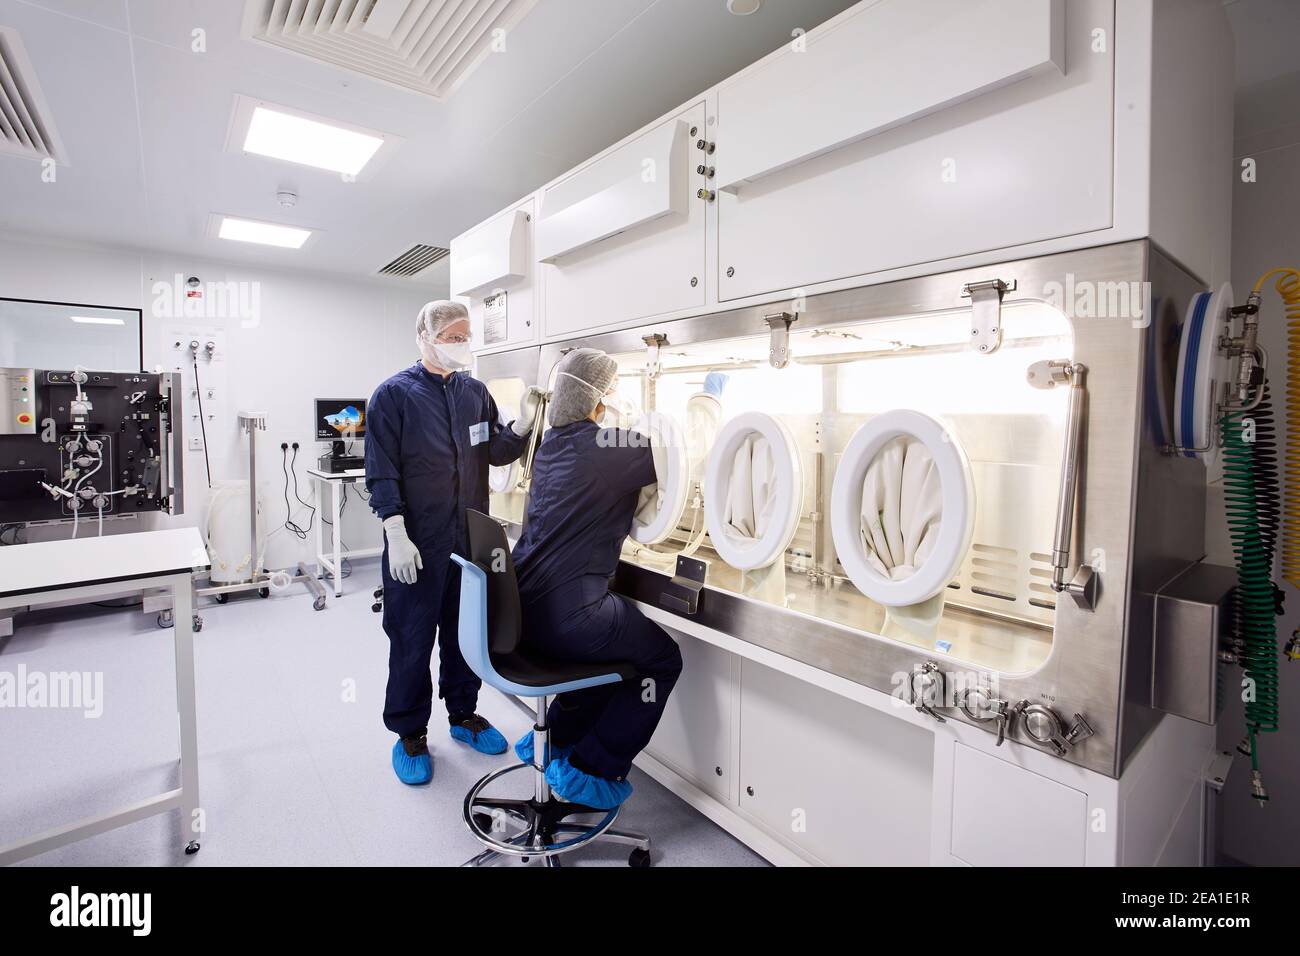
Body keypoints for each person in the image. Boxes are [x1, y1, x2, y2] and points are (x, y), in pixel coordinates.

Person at [366, 300, 543, 785]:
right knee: (411, 637)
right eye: (451, 336)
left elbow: (496, 451)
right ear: (424, 337)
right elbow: (381, 471)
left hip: (468, 540)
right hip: (417, 544)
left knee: (466, 635)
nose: (460, 343)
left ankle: (463, 715)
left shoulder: (475, 394)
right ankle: (410, 733)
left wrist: (523, 426)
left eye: (465, 336)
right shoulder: (392, 396)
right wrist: (395, 532)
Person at [511, 349, 683, 809]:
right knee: (662, 661)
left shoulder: (548, 448)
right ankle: (592, 767)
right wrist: (704, 406)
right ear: (598, 400)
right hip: (574, 618)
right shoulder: (612, 448)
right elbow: (676, 457)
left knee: (613, 666)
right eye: (611, 391)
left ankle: (558, 741)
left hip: (522, 614)